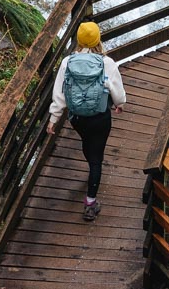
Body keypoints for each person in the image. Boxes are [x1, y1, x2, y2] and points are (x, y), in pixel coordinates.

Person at [47, 20, 126, 221]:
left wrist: (53, 118)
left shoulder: (67, 62)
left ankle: (91, 167)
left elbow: (60, 93)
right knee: (97, 156)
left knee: (87, 143)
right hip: (100, 118)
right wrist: (119, 103)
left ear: (79, 40)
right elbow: (117, 91)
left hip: (78, 119)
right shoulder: (106, 63)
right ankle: (90, 203)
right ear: (98, 39)